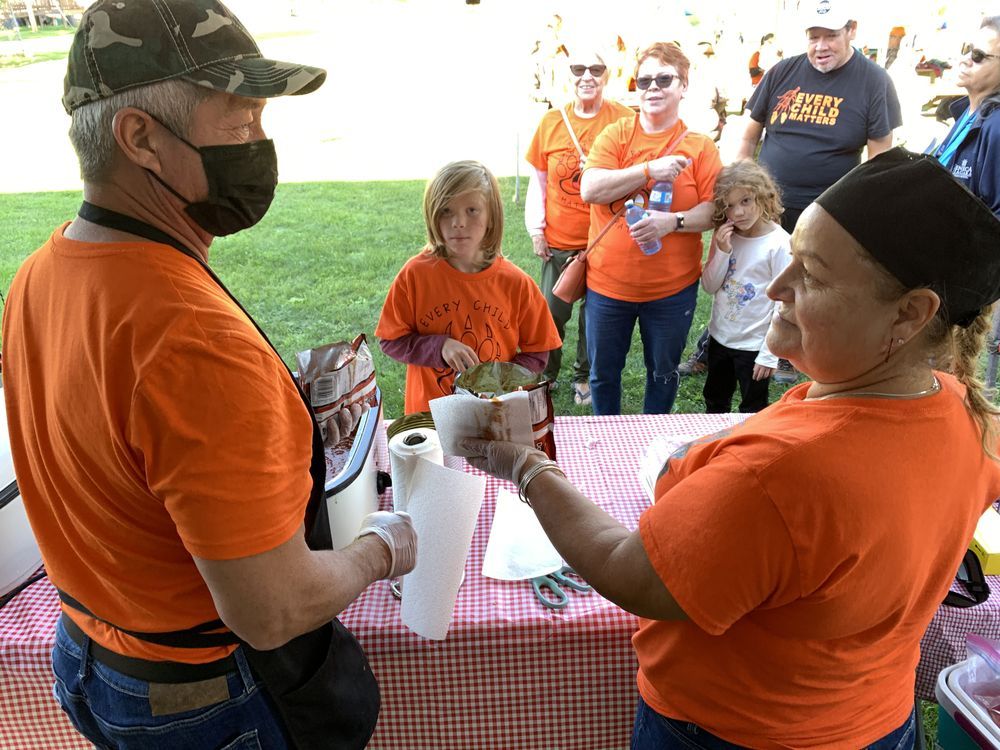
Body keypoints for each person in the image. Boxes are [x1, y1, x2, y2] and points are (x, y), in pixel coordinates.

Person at [462, 148, 1000, 749]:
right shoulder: (963, 407)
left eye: (813, 274)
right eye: (792, 255)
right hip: (875, 719)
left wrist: (525, 465)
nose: (777, 285)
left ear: (911, 314)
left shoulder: (778, 477)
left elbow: (629, 571)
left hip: (735, 731)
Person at [1, 2, 416, 748]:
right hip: (202, 695)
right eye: (241, 120)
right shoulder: (191, 337)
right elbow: (272, 609)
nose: (260, 144)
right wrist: (378, 549)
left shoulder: (42, 270)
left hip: (91, 655)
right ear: (141, 140)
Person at [735, 0, 901, 385]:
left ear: (852, 31)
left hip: (825, 211)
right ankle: (724, 345)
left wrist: (862, 211)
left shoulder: (874, 82)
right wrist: (741, 187)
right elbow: (748, 133)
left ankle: (795, 350)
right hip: (765, 205)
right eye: (814, 37)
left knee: (809, 283)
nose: (821, 46)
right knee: (747, 276)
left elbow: (881, 156)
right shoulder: (782, 72)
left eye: (831, 36)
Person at [579, 42, 722, 416]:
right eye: (644, 81)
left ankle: (652, 441)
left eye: (664, 78)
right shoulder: (615, 135)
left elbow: (714, 211)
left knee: (662, 373)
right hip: (608, 287)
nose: (653, 88)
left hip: (671, 292)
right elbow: (590, 188)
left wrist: (671, 222)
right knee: (603, 375)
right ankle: (605, 441)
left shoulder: (700, 147)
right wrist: (648, 170)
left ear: (683, 85)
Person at [376, 160, 561, 414]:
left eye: (472, 210)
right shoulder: (416, 275)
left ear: (491, 217)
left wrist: (501, 383)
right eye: (446, 211)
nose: (458, 222)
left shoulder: (515, 283)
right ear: (432, 215)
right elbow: (391, 340)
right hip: (431, 416)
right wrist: (439, 347)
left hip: (494, 415)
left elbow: (539, 350)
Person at [525, 52, 632, 406]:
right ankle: (546, 374)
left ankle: (584, 376)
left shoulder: (624, 120)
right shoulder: (551, 121)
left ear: (608, 75)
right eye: (578, 69)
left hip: (605, 239)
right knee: (551, 313)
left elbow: (636, 173)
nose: (587, 76)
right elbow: (538, 182)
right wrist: (537, 229)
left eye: (596, 69)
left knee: (596, 316)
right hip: (559, 241)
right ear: (567, 74)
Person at [933, 16, 1000, 395]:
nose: (965, 60)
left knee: (947, 386)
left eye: (977, 55)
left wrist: (968, 296)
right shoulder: (965, 113)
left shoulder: (996, 126)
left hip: (960, 290)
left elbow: (994, 220)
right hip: (937, 275)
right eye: (964, 50)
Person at [701, 160, 791, 413]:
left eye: (746, 201)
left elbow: (784, 303)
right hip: (720, 337)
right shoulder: (727, 237)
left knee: (753, 407)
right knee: (715, 401)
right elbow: (709, 286)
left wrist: (769, 353)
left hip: (754, 345)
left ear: (763, 196)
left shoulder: (779, 244)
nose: (738, 213)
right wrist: (722, 251)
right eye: (729, 206)